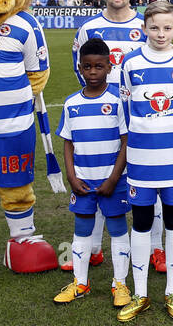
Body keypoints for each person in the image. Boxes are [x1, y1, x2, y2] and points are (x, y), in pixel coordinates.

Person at [65, 0, 151, 275]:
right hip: (98, 118)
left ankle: (154, 248)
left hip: (136, 119)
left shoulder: (144, 28)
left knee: (142, 181)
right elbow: (80, 66)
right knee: (96, 176)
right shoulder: (89, 28)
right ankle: (94, 249)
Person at [116, 0, 173, 322]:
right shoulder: (130, 64)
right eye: (154, 28)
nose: (161, 33)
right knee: (141, 223)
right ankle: (140, 293)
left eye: (167, 28)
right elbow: (125, 112)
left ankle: (172, 291)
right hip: (140, 159)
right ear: (144, 29)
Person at [53, 38, 132, 307]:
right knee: (82, 229)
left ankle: (120, 284)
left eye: (99, 66)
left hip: (113, 181)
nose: (93, 72)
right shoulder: (71, 103)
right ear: (80, 68)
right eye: (87, 67)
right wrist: (72, 177)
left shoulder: (119, 101)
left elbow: (126, 142)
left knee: (118, 228)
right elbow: (68, 143)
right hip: (83, 181)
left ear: (110, 67)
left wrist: (113, 178)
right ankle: (80, 282)